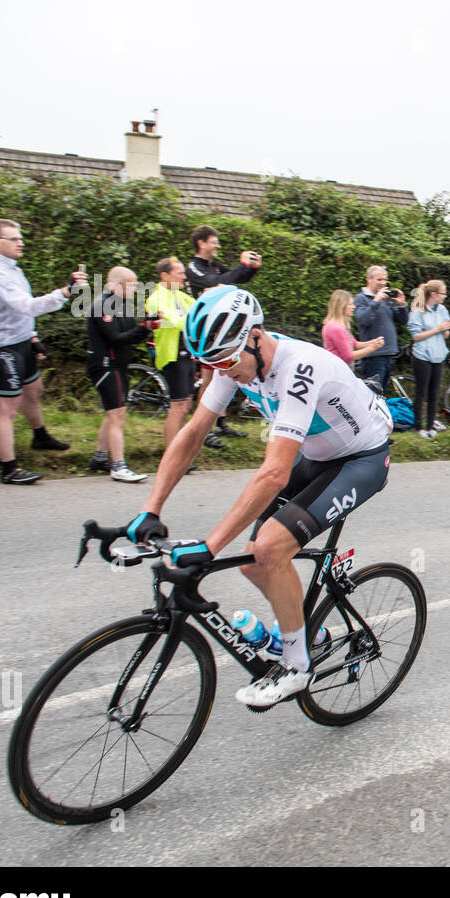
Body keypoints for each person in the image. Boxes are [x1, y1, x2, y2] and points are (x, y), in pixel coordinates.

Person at [124, 286, 394, 707]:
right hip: (318, 454)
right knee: (253, 564)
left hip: (361, 459)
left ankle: (296, 667)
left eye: (228, 362)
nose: (223, 373)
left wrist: (209, 546)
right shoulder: (230, 363)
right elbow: (193, 433)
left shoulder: (298, 368)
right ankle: (312, 635)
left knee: (269, 548)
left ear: (254, 336)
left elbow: (273, 472)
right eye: (212, 365)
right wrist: (149, 508)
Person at [0, 218, 86, 485]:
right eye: (13, 238)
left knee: (34, 390)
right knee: (8, 408)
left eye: (20, 237)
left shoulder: (12, 268)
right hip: (4, 347)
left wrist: (33, 337)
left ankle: (40, 436)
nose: (20, 242)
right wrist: (65, 291)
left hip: (22, 341)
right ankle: (9, 468)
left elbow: (17, 312)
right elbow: (26, 306)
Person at [184, 224, 261, 444]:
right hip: (207, 331)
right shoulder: (194, 266)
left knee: (224, 375)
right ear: (202, 243)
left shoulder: (213, 265)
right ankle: (203, 428)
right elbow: (215, 283)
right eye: (214, 241)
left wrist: (251, 268)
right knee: (209, 380)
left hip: (223, 328)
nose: (218, 245)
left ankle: (220, 423)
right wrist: (242, 266)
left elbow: (234, 277)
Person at [85, 267, 154, 482]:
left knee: (113, 413)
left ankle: (99, 458)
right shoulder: (103, 305)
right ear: (116, 285)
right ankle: (118, 466)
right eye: (132, 284)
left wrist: (147, 327)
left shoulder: (122, 305)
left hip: (118, 365)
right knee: (118, 416)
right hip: (106, 366)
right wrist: (144, 327)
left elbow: (131, 335)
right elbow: (115, 338)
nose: (135, 288)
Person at [146, 257, 202, 456]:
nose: (184, 276)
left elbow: (200, 309)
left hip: (187, 354)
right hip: (172, 356)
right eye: (179, 273)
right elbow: (179, 322)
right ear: (164, 275)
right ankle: (171, 455)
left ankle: (178, 451)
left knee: (185, 406)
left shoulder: (180, 295)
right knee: (177, 407)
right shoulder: (156, 298)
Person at [407, 280, 450, 438]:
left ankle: (430, 426)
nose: (445, 296)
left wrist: (446, 329)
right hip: (422, 356)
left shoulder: (442, 310)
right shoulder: (418, 311)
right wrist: (437, 329)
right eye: (443, 293)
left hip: (438, 356)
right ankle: (418, 427)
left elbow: (446, 334)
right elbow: (416, 336)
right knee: (421, 393)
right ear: (434, 294)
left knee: (434, 393)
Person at [354, 265, 407, 393]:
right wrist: (376, 300)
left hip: (389, 352)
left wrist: (402, 305)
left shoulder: (387, 298)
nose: (383, 283)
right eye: (379, 280)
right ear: (369, 279)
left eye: (385, 280)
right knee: (372, 394)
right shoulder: (361, 298)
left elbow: (403, 320)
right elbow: (363, 320)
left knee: (382, 393)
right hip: (373, 355)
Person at [321, 289, 384, 366]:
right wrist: (372, 348)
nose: (354, 307)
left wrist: (373, 342)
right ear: (341, 306)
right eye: (350, 304)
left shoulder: (340, 325)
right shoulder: (335, 328)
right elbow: (349, 356)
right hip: (337, 371)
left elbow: (354, 344)